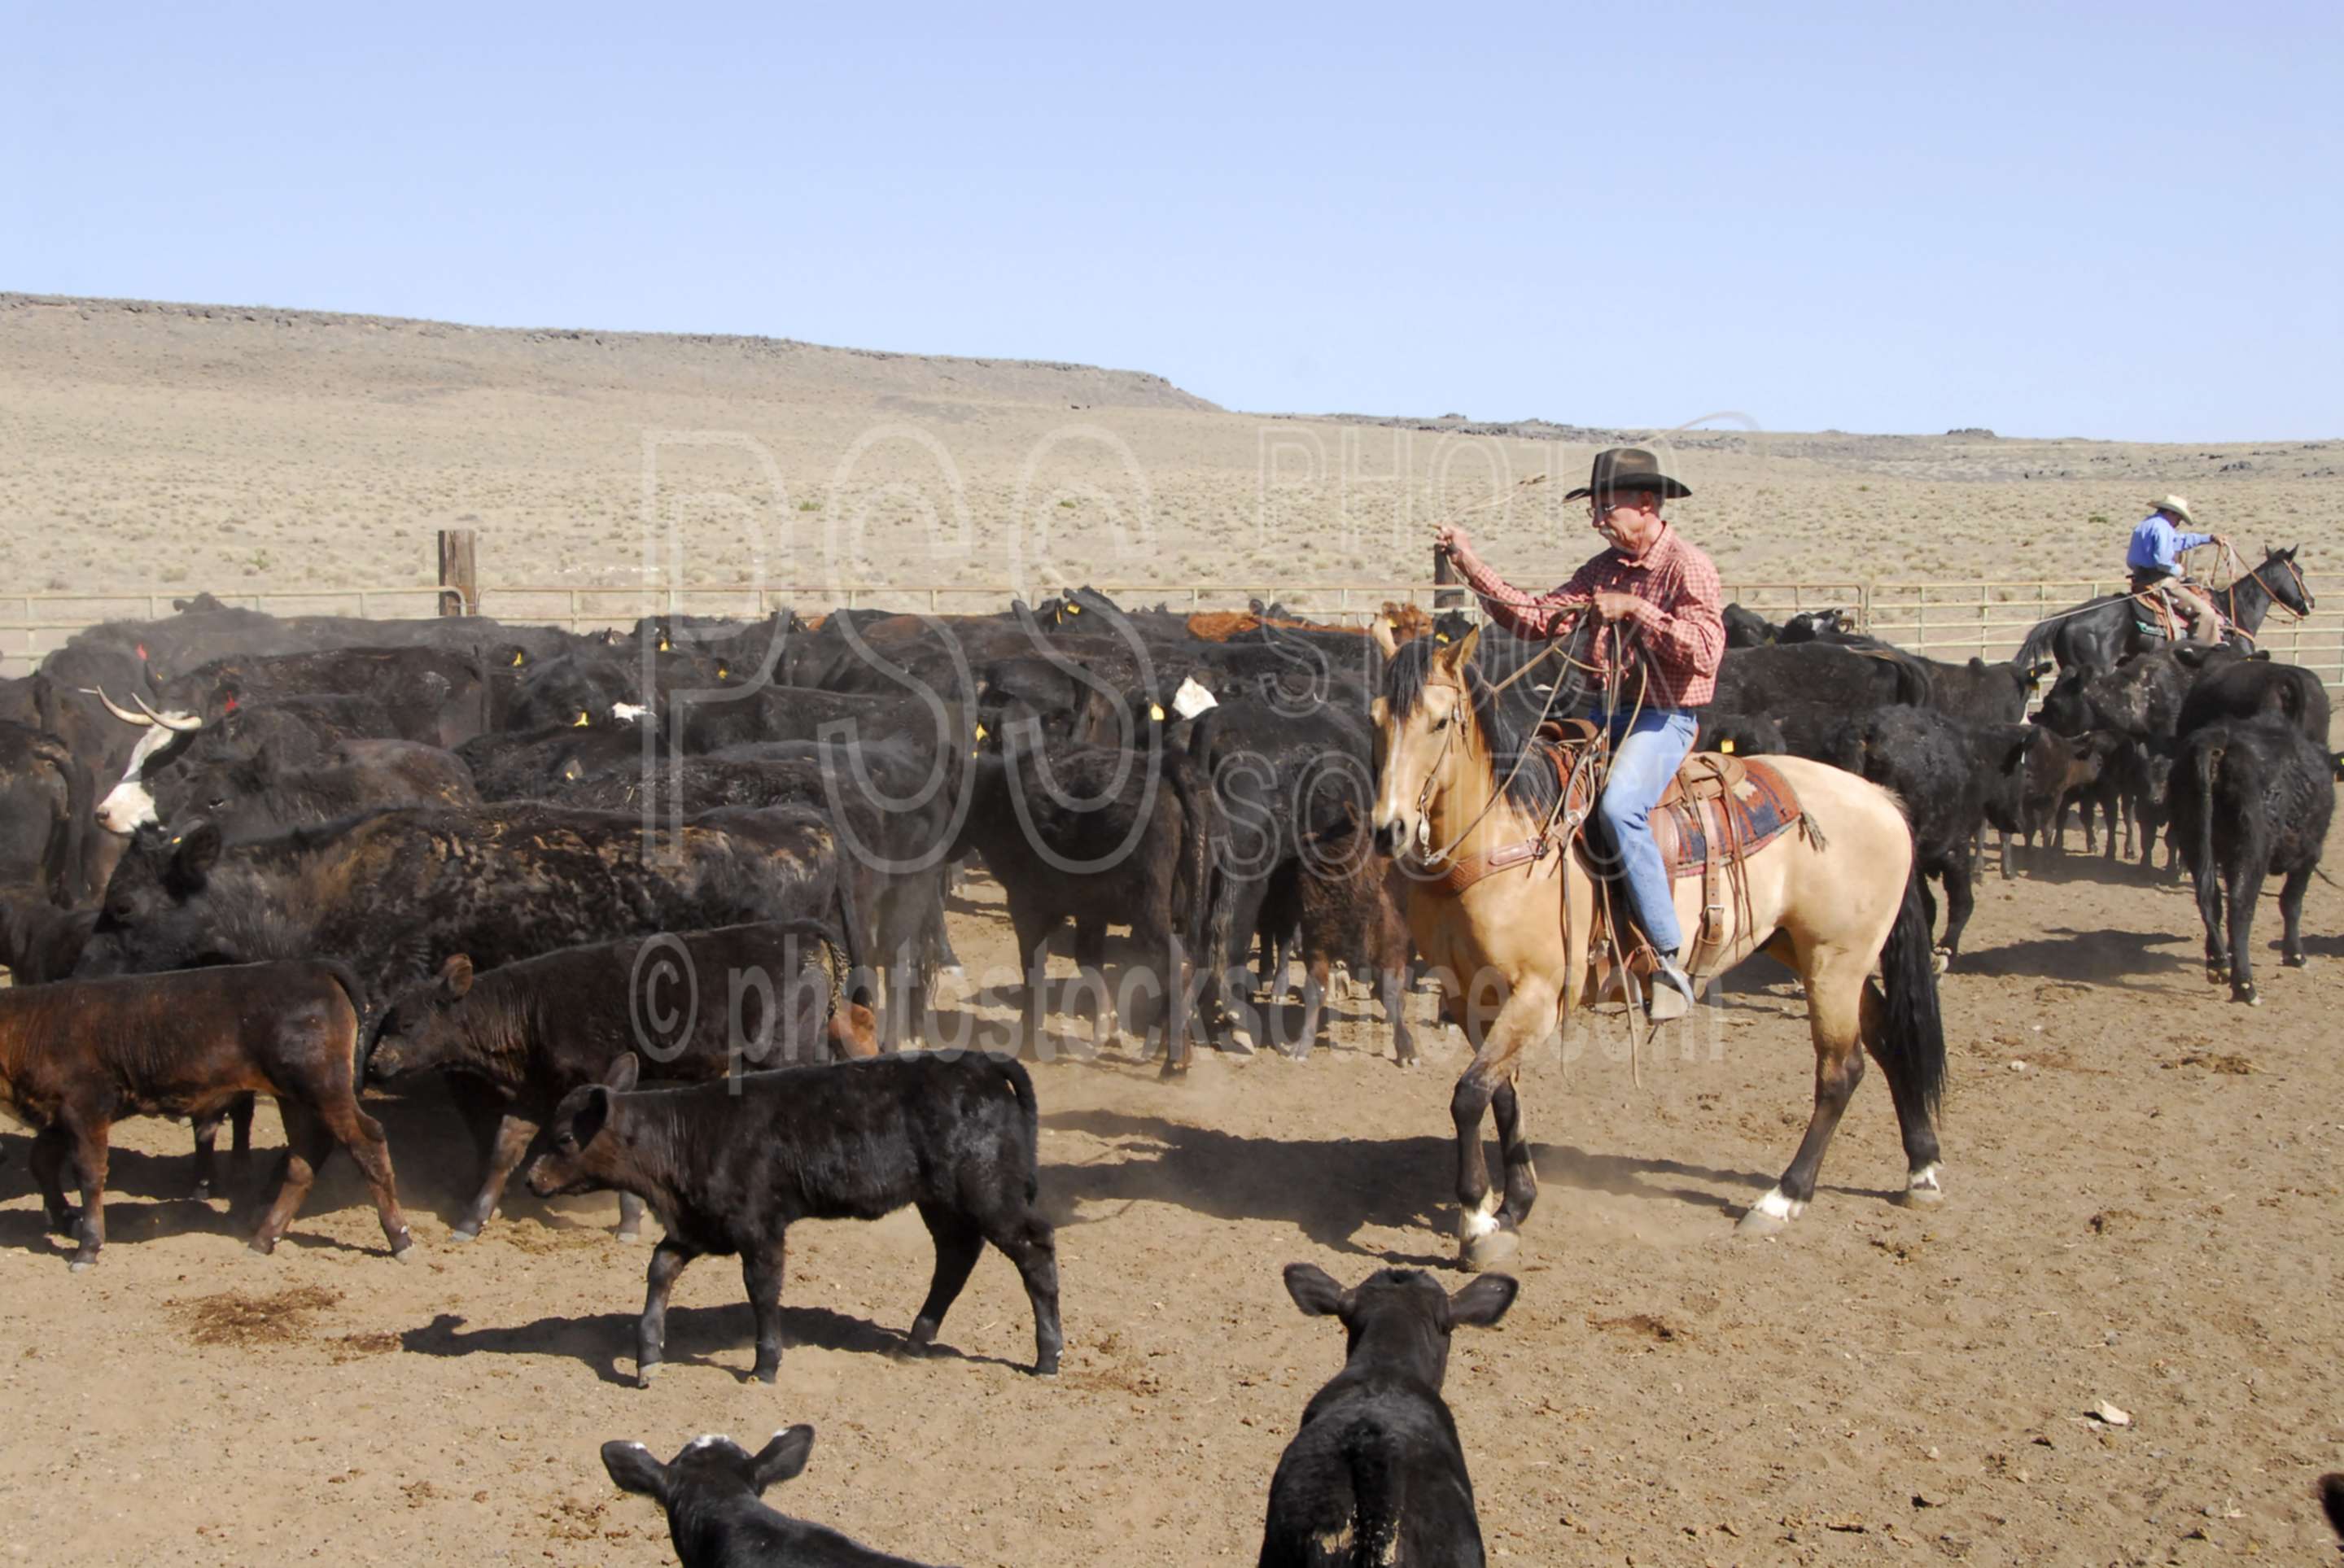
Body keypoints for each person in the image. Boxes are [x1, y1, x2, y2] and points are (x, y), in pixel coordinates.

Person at [1432, 447, 1724, 1019]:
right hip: (1606, 712)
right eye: (1593, 510)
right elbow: (1537, 617)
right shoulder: (1602, 569)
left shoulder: (1688, 566)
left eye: (1606, 508)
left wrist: (1637, 610)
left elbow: (1707, 652)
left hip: (1665, 716)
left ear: (1646, 504)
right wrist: (1469, 561)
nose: (1597, 520)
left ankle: (1667, 957)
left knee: (1619, 808)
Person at [2126, 496, 2228, 644]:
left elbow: (2179, 541)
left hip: (2140, 579)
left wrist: (2209, 538)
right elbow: (2162, 561)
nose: (2179, 522)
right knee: (2206, 613)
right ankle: (2205, 654)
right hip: (2159, 582)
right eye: (2179, 517)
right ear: (2171, 513)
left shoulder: (2145, 524)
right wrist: (2177, 570)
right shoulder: (2163, 528)